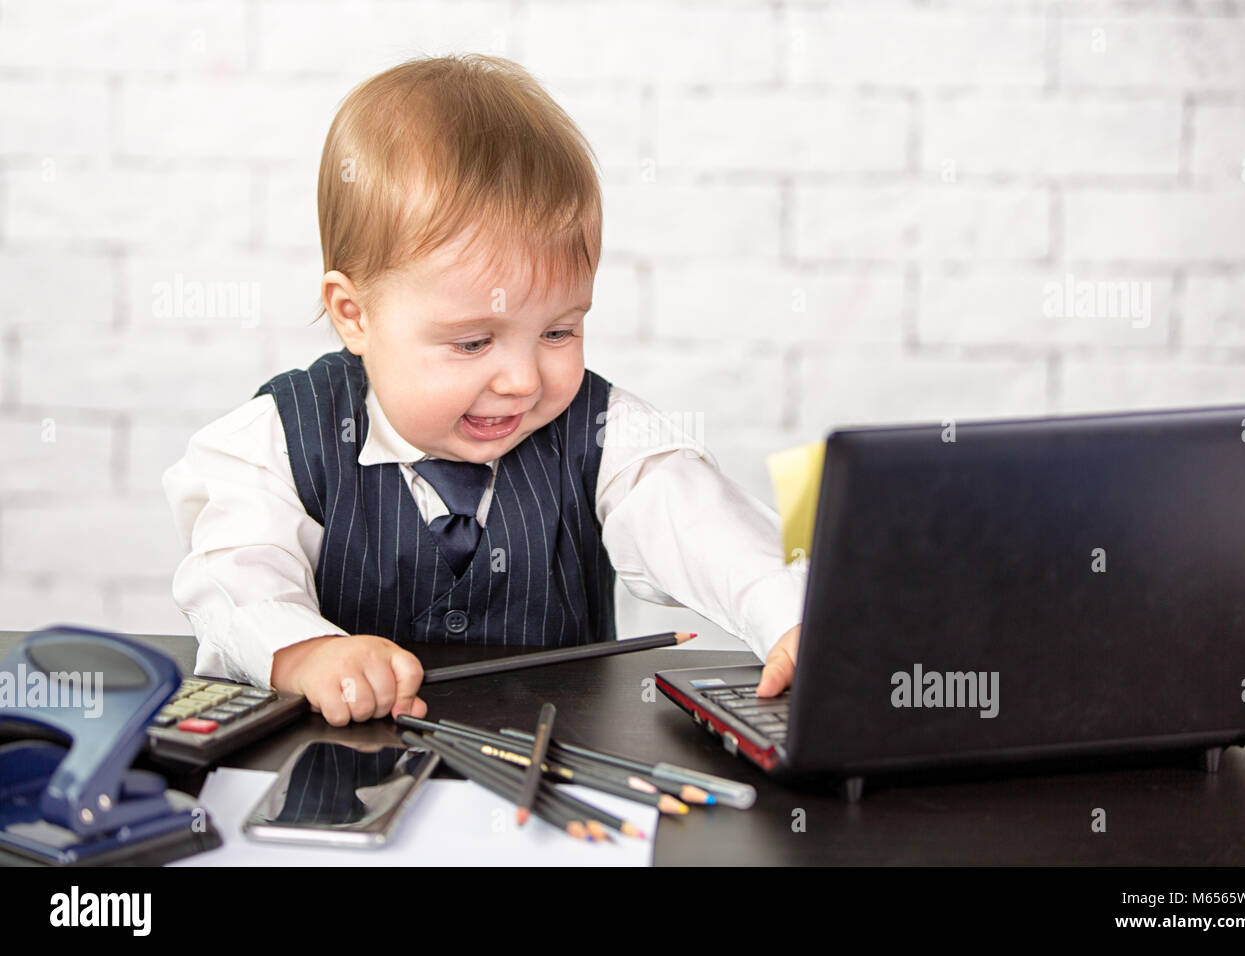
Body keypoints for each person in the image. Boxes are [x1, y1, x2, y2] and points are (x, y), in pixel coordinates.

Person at [163, 54, 805, 727]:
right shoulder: (283, 436)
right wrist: (304, 652)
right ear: (355, 314)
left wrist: (784, 616)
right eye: (472, 343)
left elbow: (698, 520)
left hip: (556, 765)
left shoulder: (601, 430)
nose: (523, 380)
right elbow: (234, 573)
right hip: (346, 777)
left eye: (559, 331)